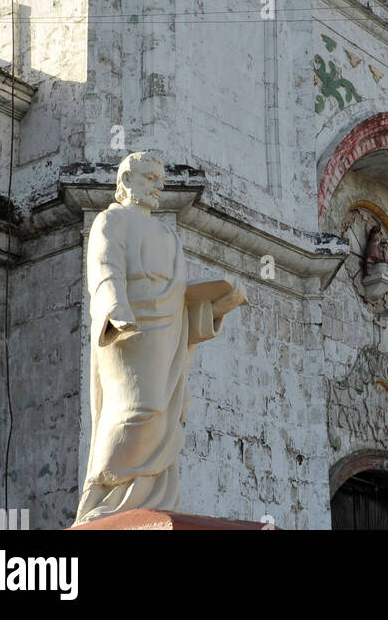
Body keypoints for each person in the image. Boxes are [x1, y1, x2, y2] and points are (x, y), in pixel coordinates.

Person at [75, 151, 245, 523]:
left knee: (167, 412)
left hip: (167, 331)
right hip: (128, 328)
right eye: (150, 178)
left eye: (160, 181)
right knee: (136, 409)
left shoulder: (168, 233)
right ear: (125, 182)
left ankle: (150, 497)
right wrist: (115, 308)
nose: (158, 187)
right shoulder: (111, 221)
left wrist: (215, 304)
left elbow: (180, 294)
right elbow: (104, 268)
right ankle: (104, 492)